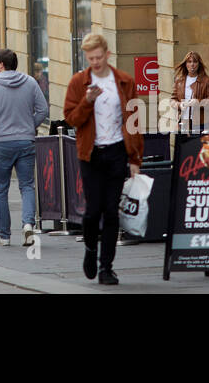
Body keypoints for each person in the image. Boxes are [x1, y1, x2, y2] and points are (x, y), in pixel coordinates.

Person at [64, 33, 143, 286]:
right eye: (91, 58)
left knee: (111, 211)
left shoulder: (124, 81)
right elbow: (71, 119)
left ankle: (106, 267)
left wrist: (135, 159)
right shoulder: (79, 82)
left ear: (107, 54)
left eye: (99, 57)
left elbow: (134, 121)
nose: (95, 62)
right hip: (91, 153)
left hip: (117, 152)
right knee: (92, 211)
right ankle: (90, 250)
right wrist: (87, 102)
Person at [0, 48, 49, 247]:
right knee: (27, 185)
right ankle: (28, 224)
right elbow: (43, 110)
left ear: (1, 64)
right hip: (26, 140)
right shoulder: (30, 82)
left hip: (2, 141)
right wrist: (30, 126)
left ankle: (4, 235)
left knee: (0, 188)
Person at [173, 51, 209, 133]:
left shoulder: (207, 81)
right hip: (183, 122)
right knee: (182, 146)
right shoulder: (179, 81)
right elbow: (173, 100)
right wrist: (179, 104)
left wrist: (198, 103)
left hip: (201, 123)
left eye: (195, 62)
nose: (192, 64)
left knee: (199, 145)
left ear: (199, 64)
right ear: (185, 64)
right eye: (189, 62)